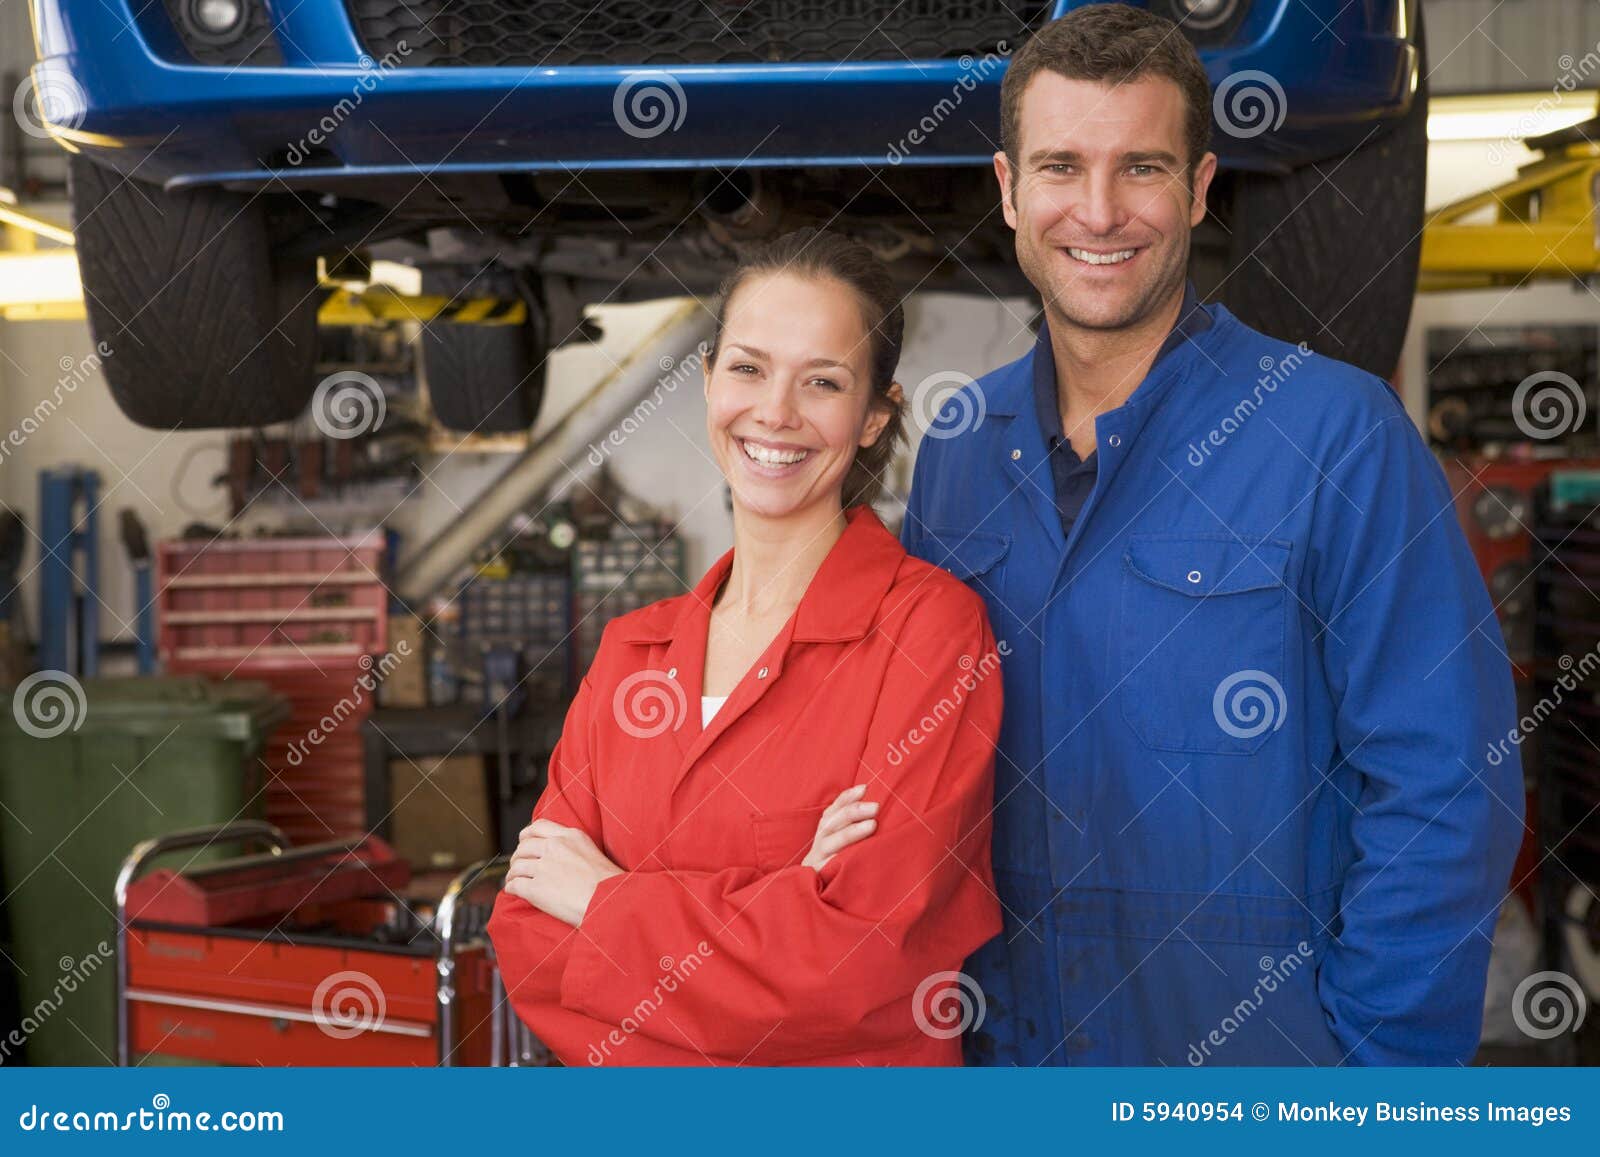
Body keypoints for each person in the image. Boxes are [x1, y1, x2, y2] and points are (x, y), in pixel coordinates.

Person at [879, 4, 1521, 1065]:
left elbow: (1447, 788)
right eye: (1059, 167)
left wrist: (1374, 1079)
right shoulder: (959, 447)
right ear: (1007, 189)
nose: (1097, 210)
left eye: (1140, 166)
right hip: (1015, 1060)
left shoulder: (1336, 433)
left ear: (1199, 187)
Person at [486, 227, 1004, 1066]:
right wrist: (785, 901)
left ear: (875, 416)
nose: (775, 412)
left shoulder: (931, 635)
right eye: (748, 367)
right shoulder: (630, 656)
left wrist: (607, 900)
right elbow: (529, 946)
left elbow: (863, 967)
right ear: (707, 382)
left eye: (824, 382)